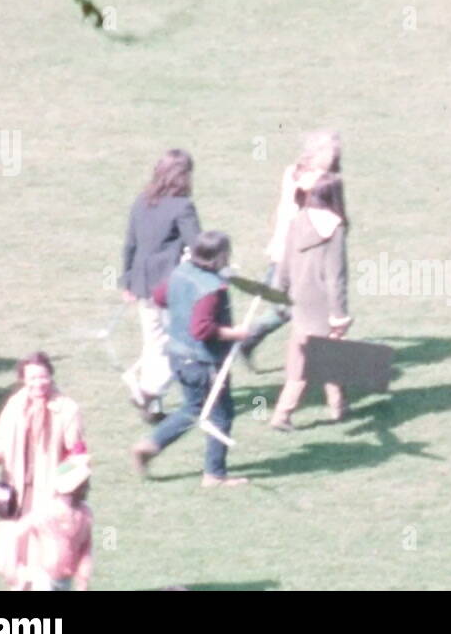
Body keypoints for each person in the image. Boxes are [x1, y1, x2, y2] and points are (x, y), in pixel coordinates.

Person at [131, 231, 251, 488]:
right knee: (221, 415)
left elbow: (160, 297)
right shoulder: (211, 289)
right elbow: (202, 329)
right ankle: (214, 475)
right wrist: (234, 333)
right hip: (203, 362)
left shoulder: (181, 272)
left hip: (178, 356)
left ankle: (150, 445)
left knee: (193, 408)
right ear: (219, 256)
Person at [269, 134, 351, 432]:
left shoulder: (297, 221)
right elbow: (336, 276)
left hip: (299, 298)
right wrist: (339, 313)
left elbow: (286, 264)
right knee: (312, 360)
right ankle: (283, 413)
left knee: (316, 353)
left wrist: (279, 294)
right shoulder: (335, 229)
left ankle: (339, 405)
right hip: (322, 301)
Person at [0, 352, 87, 590]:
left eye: (43, 377)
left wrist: (66, 491)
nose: (38, 384)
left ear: (51, 376)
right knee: (7, 560)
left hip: (49, 499)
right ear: (23, 380)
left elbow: (77, 455)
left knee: (44, 564)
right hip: (14, 498)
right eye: (32, 379)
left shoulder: (67, 409)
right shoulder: (15, 405)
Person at [239, 132, 341, 367]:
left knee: (292, 307)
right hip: (296, 252)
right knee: (292, 308)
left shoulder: (294, 172)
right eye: (331, 153)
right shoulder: (317, 181)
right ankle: (252, 338)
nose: (335, 157)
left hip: (290, 248)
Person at [120, 149, 202, 422]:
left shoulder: (142, 201)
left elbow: (130, 244)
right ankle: (149, 392)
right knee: (177, 343)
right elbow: (198, 246)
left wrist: (126, 280)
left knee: (153, 342)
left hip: (142, 283)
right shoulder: (183, 207)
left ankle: (152, 409)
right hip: (169, 288)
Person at [17, 454, 94, 591]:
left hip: (66, 580)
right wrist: (18, 567)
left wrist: (83, 578)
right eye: (85, 485)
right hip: (43, 578)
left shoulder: (85, 514)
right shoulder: (47, 511)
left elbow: (86, 548)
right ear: (74, 487)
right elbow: (17, 532)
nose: (89, 488)